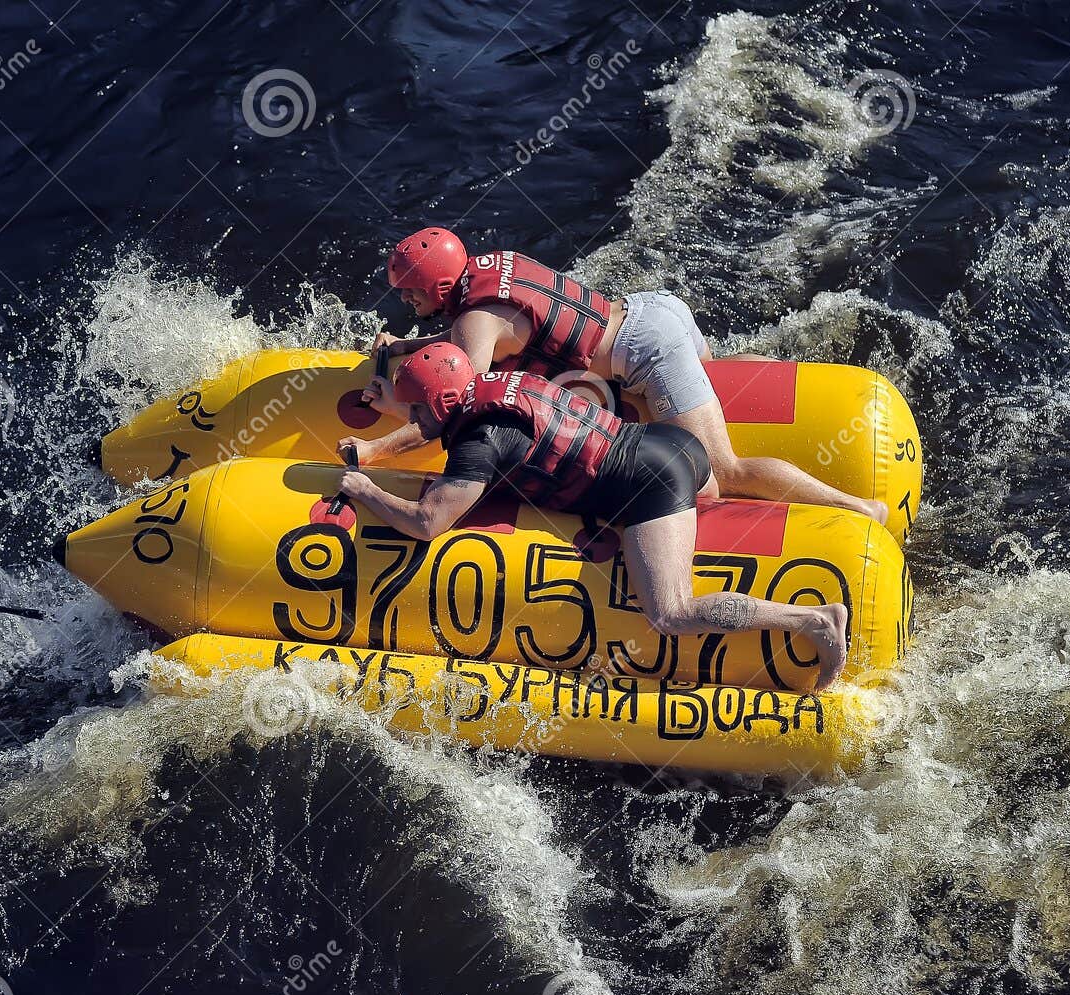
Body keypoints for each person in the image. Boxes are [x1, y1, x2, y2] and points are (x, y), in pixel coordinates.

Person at [335, 342, 850, 690]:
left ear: (444, 401)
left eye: (419, 410)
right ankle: (843, 512)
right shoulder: (499, 382)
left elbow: (427, 522)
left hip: (651, 482)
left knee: (668, 611)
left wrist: (365, 489)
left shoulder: (479, 441)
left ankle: (813, 620)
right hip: (672, 445)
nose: (416, 422)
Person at [346, 227, 887, 525]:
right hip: (653, 309)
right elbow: (500, 330)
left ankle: (860, 508)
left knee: (724, 470)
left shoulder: (472, 321)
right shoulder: (488, 267)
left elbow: (459, 402)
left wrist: (376, 451)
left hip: (645, 351)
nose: (406, 299)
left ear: (439, 283)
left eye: (410, 290)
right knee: (710, 385)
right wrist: (412, 345)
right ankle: (785, 376)